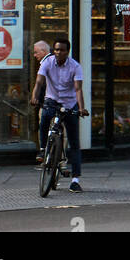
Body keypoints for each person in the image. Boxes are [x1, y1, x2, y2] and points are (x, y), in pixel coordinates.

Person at [32, 36, 88, 194]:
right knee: (44, 120)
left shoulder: (75, 66)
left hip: (69, 103)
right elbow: (39, 82)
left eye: (61, 50)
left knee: (74, 142)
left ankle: (75, 180)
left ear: (67, 52)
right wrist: (35, 96)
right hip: (52, 100)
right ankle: (43, 149)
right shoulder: (47, 63)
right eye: (56, 50)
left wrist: (81, 108)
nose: (58, 53)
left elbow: (78, 89)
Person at [31, 40, 51, 159]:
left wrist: (36, 97)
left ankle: (43, 151)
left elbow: (40, 84)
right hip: (61, 102)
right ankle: (61, 161)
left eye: (36, 52)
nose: (34, 55)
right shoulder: (54, 61)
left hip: (48, 103)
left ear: (44, 51)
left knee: (43, 126)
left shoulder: (45, 63)